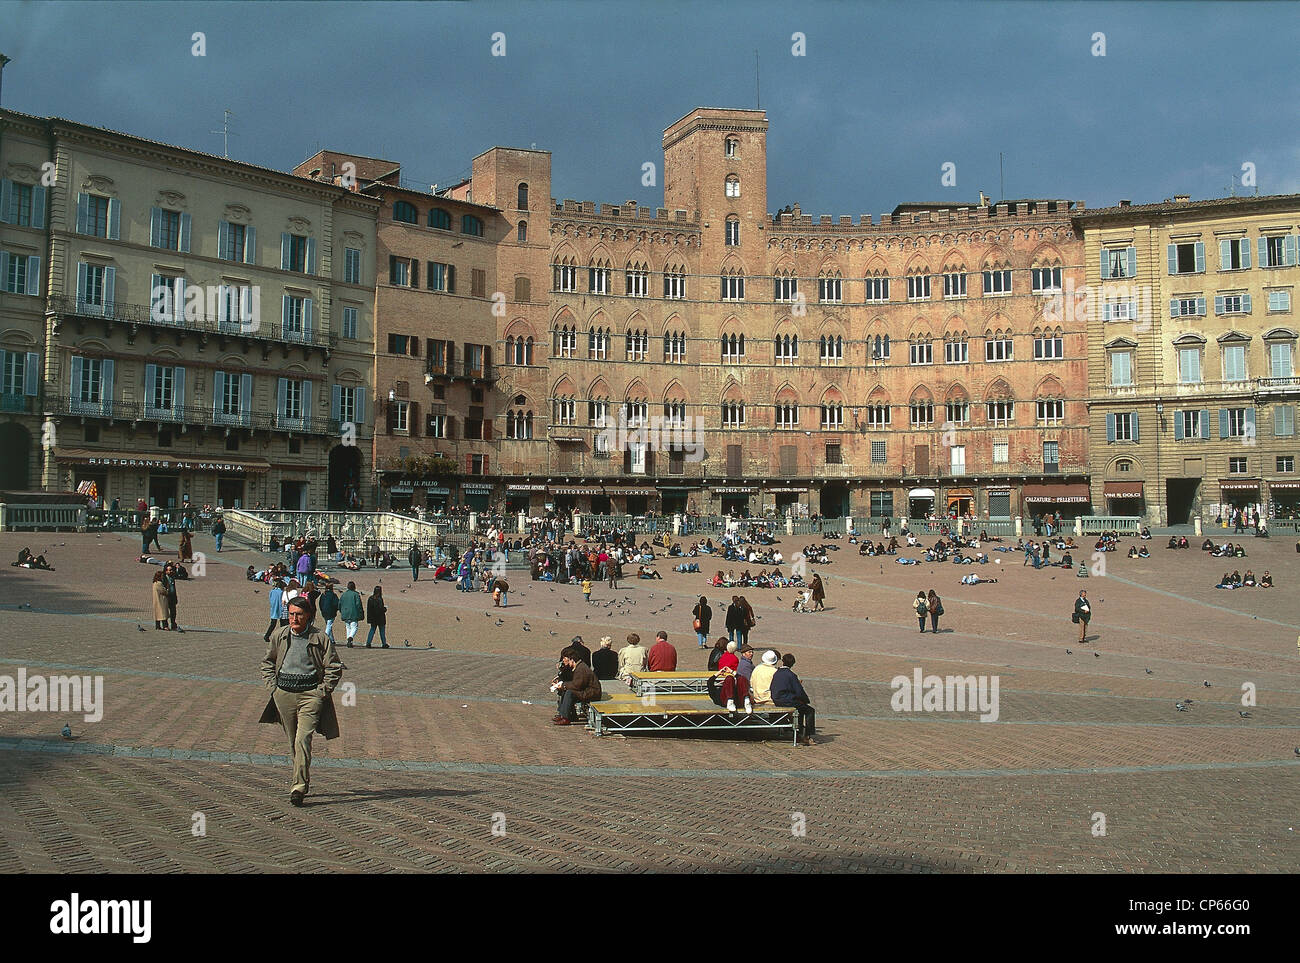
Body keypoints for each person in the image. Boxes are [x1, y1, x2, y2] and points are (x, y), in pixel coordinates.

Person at [258, 595, 344, 806]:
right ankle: (301, 776)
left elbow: (334, 667)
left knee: (302, 739)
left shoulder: (320, 638)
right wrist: (273, 688)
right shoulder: (280, 635)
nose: (294, 619)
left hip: (310, 696)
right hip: (284, 695)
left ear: (309, 616)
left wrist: (321, 692)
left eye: (298, 615)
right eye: (291, 614)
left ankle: (298, 787)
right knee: (292, 742)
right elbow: (267, 662)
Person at [771, 653, 816, 745]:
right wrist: (806, 700)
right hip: (786, 700)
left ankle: (799, 733)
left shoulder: (777, 673)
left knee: (800, 709)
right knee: (809, 710)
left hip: (777, 699)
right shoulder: (791, 675)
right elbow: (799, 691)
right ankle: (807, 735)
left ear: (782, 662)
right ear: (792, 664)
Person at [552, 646, 601, 726]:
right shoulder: (578, 667)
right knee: (566, 690)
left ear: (571, 659)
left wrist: (563, 685)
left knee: (569, 693)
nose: (563, 660)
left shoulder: (581, 668)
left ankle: (566, 718)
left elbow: (577, 685)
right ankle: (566, 714)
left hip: (591, 693)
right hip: (587, 690)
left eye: (565, 658)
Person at [338, 580, 363, 647]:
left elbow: (339, 604)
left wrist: (341, 611)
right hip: (353, 613)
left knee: (348, 627)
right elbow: (358, 605)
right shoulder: (356, 594)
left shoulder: (344, 594)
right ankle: (350, 638)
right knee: (354, 627)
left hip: (345, 612)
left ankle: (349, 641)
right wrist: (361, 613)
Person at [161, 562, 180, 631]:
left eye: (171, 570)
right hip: (166, 597)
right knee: (165, 612)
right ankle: (165, 625)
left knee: (173, 612)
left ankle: (173, 624)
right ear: (166, 571)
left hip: (172, 597)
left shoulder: (172, 577)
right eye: (169, 570)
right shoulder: (163, 578)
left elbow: (173, 588)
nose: (171, 571)